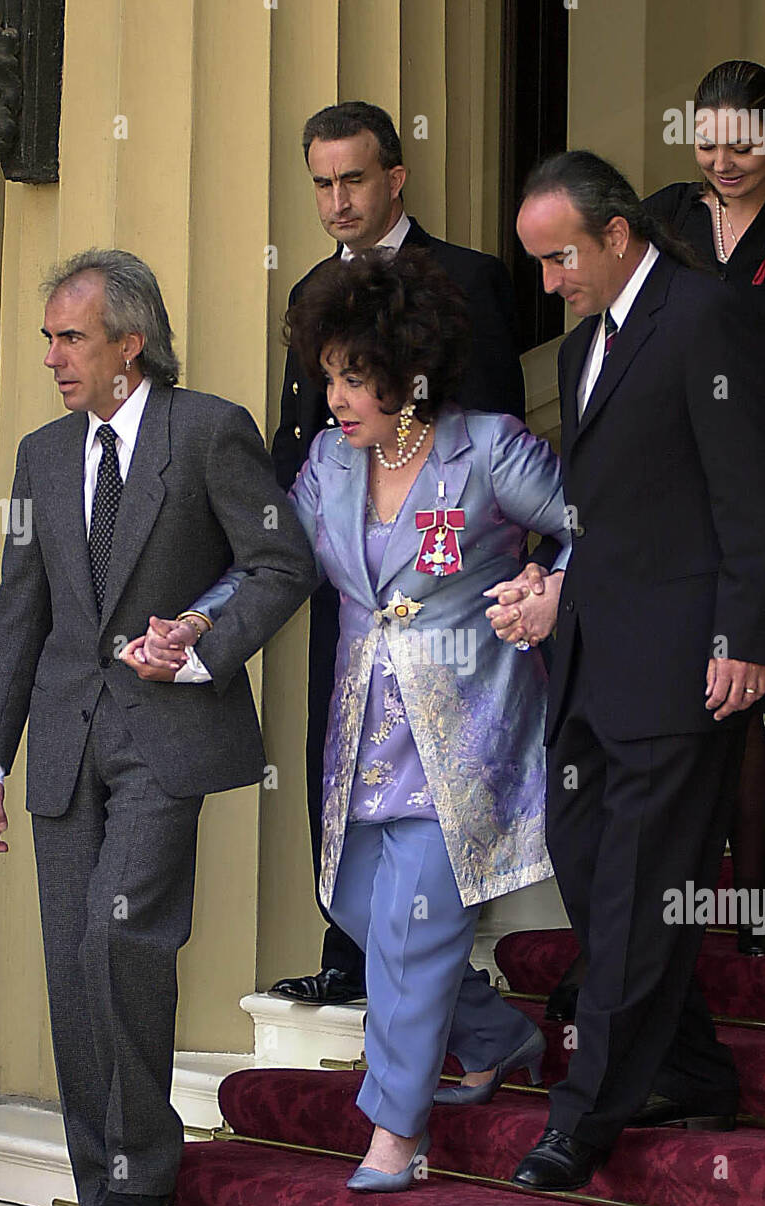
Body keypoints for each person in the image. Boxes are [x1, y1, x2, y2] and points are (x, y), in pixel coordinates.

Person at [126, 249, 570, 1190]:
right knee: (359, 905)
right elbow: (271, 564)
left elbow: (596, 519)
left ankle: (394, 1134)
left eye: (355, 377)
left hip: (467, 729)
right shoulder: (327, 464)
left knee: (412, 923)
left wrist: (551, 582)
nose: (335, 396)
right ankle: (494, 1034)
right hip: (364, 731)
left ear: (411, 373)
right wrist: (198, 622)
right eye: (328, 374)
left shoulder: (488, 448)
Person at [0, 250, 315, 1206]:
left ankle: (139, 1179)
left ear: (130, 343)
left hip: (168, 736)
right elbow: (16, 620)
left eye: (70, 337)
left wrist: (204, 645)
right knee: (74, 969)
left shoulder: (208, 430)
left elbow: (283, 561)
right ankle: (101, 1186)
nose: (52, 358)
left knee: (119, 940)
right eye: (47, 339)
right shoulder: (39, 454)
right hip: (66, 744)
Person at [537, 63, 765, 1014]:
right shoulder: (667, 214)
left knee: (739, 704)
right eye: (707, 140)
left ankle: (751, 894)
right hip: (674, 514)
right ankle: (656, 972)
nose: (723, 161)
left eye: (743, 142)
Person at [499, 152, 765, 1192]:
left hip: (682, 664)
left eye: (558, 257)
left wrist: (749, 637)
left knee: (633, 894)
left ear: (616, 235)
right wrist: (553, 587)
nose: (548, 282)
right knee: (592, 869)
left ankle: (582, 1122)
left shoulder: (704, 318)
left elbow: (748, 488)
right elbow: (606, 513)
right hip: (588, 662)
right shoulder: (585, 344)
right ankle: (695, 1065)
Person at [267, 101, 528, 1009]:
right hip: (344, 573)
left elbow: (489, 439)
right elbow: (299, 443)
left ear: (395, 178)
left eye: (354, 179)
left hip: (446, 598)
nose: (337, 199)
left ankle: (428, 981)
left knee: (435, 795)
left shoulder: (467, 277)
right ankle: (351, 955)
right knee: (334, 762)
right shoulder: (309, 291)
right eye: (323, 183)